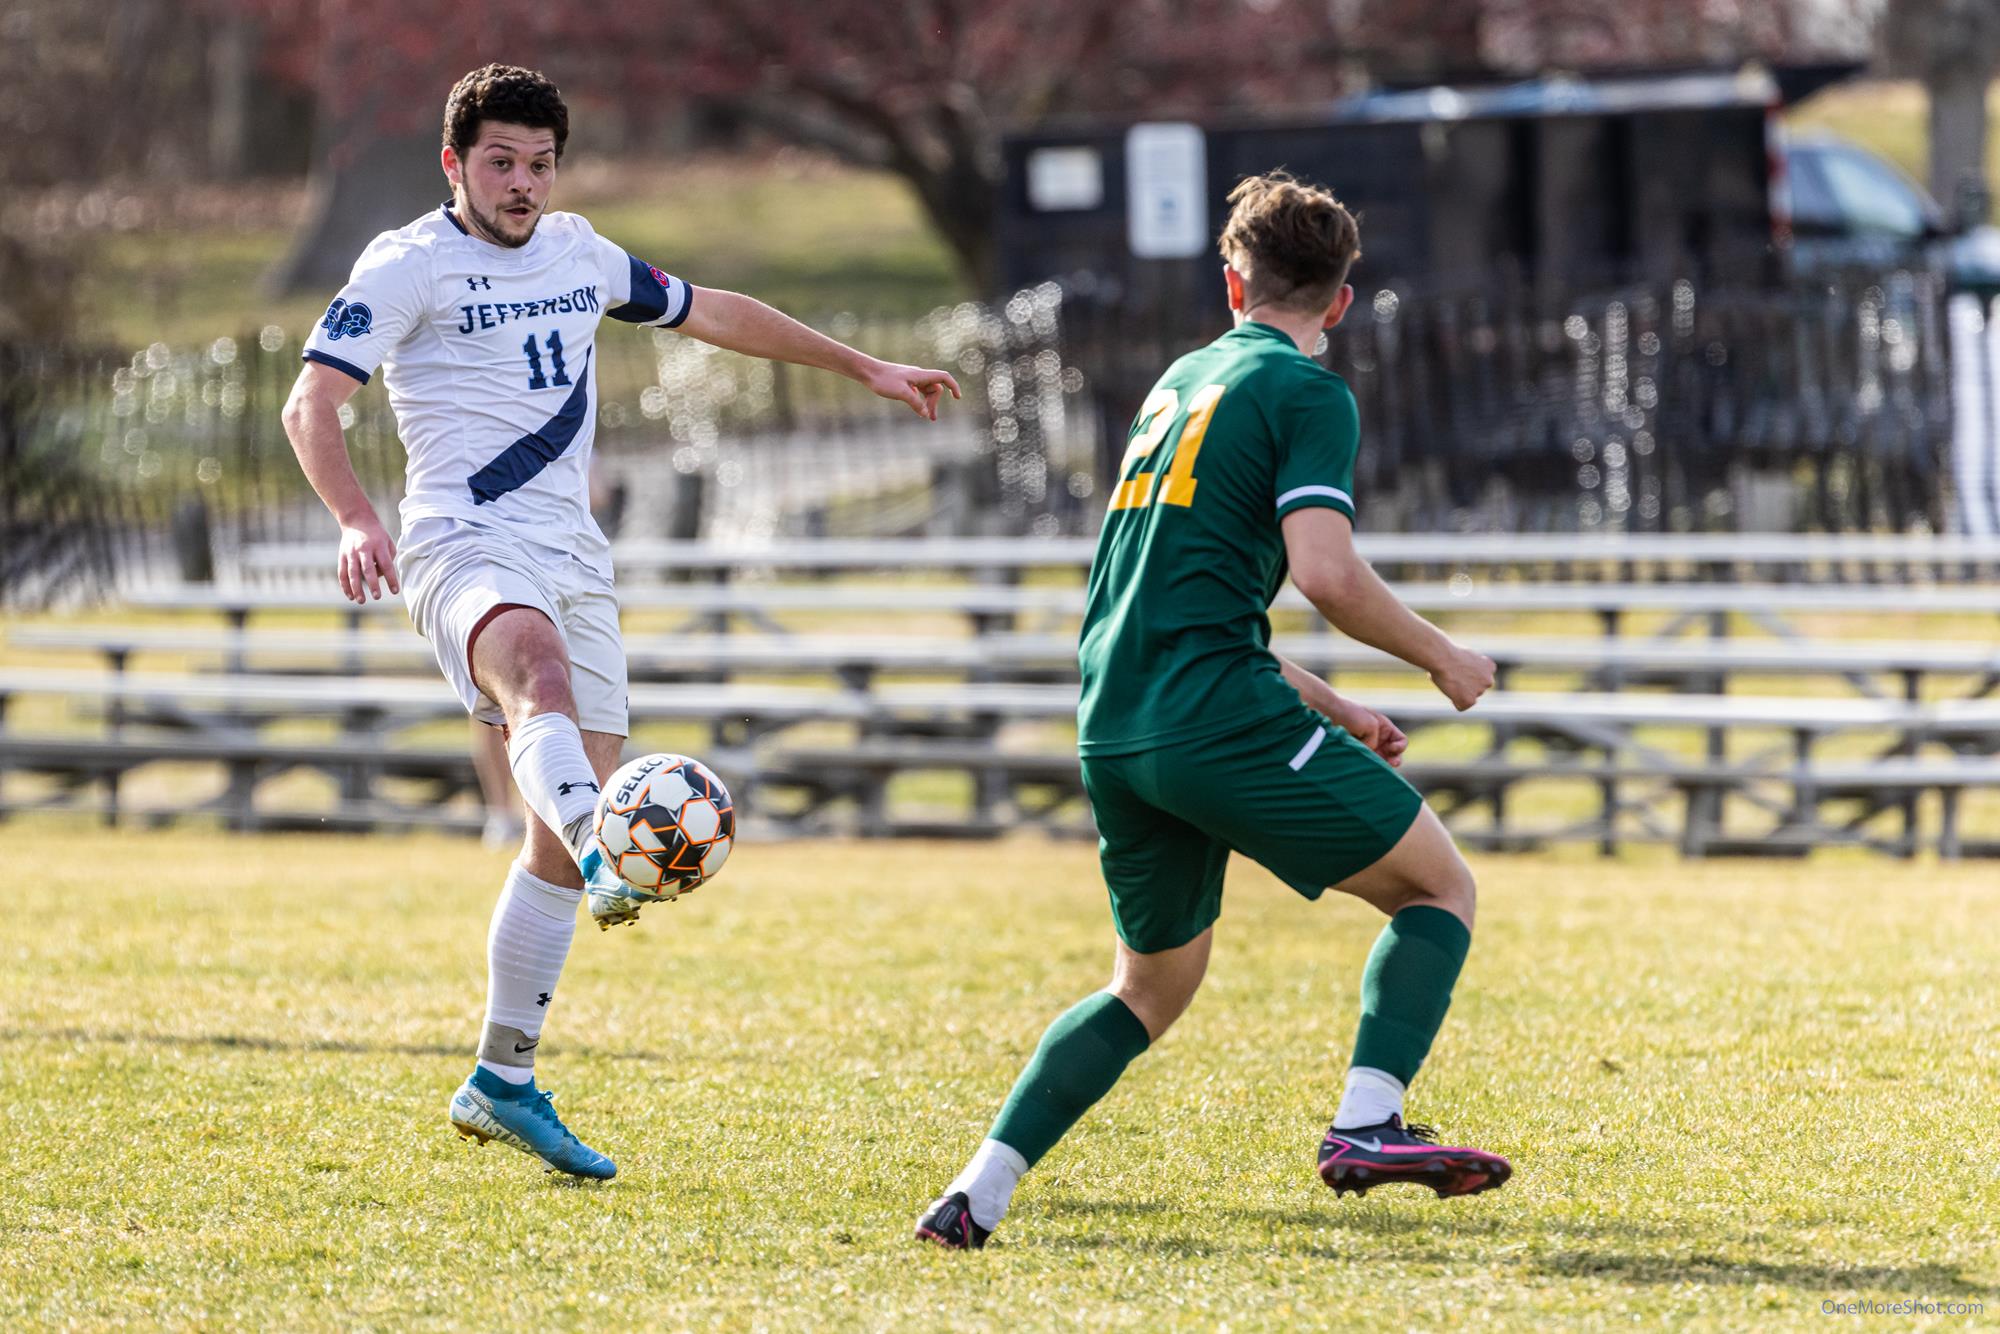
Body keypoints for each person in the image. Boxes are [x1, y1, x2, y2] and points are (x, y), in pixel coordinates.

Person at [281, 63, 960, 1181]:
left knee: (552, 842)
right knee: (537, 685)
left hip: (574, 558)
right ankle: (612, 840)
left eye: (539, 163)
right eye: (499, 161)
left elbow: (715, 310)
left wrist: (863, 364)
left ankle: (501, 1077)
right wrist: (357, 520)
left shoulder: (580, 251)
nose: (521, 183)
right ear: (453, 163)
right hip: (460, 540)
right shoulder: (404, 264)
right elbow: (313, 400)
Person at [915, 171, 1504, 1248]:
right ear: (1338, 300)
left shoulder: (1179, 382)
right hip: (1211, 716)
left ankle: (975, 1189)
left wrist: (1328, 703)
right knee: (1438, 887)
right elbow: (1322, 573)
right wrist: (1442, 656)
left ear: (1230, 281)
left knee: (1149, 983)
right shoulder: (1307, 392)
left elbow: (1185, 599)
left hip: (1117, 719)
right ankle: (1365, 1124)